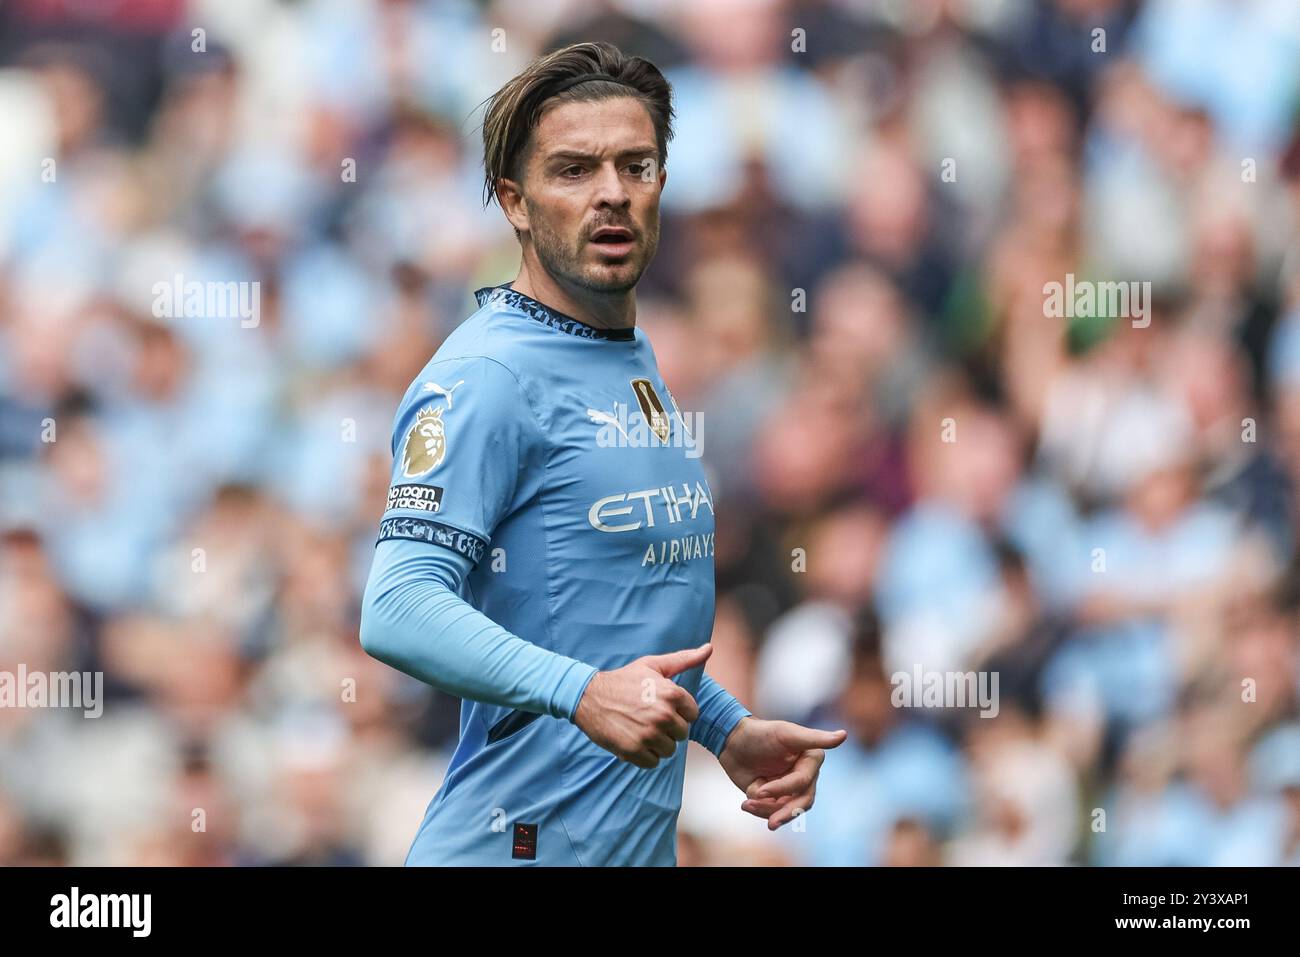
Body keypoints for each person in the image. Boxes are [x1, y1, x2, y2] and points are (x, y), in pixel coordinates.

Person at [359, 40, 845, 866]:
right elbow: (396, 606)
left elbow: (611, 617)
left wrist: (723, 728)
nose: (613, 193)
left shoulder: (633, 357)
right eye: (575, 170)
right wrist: (580, 693)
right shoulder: (488, 376)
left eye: (637, 165)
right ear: (515, 202)